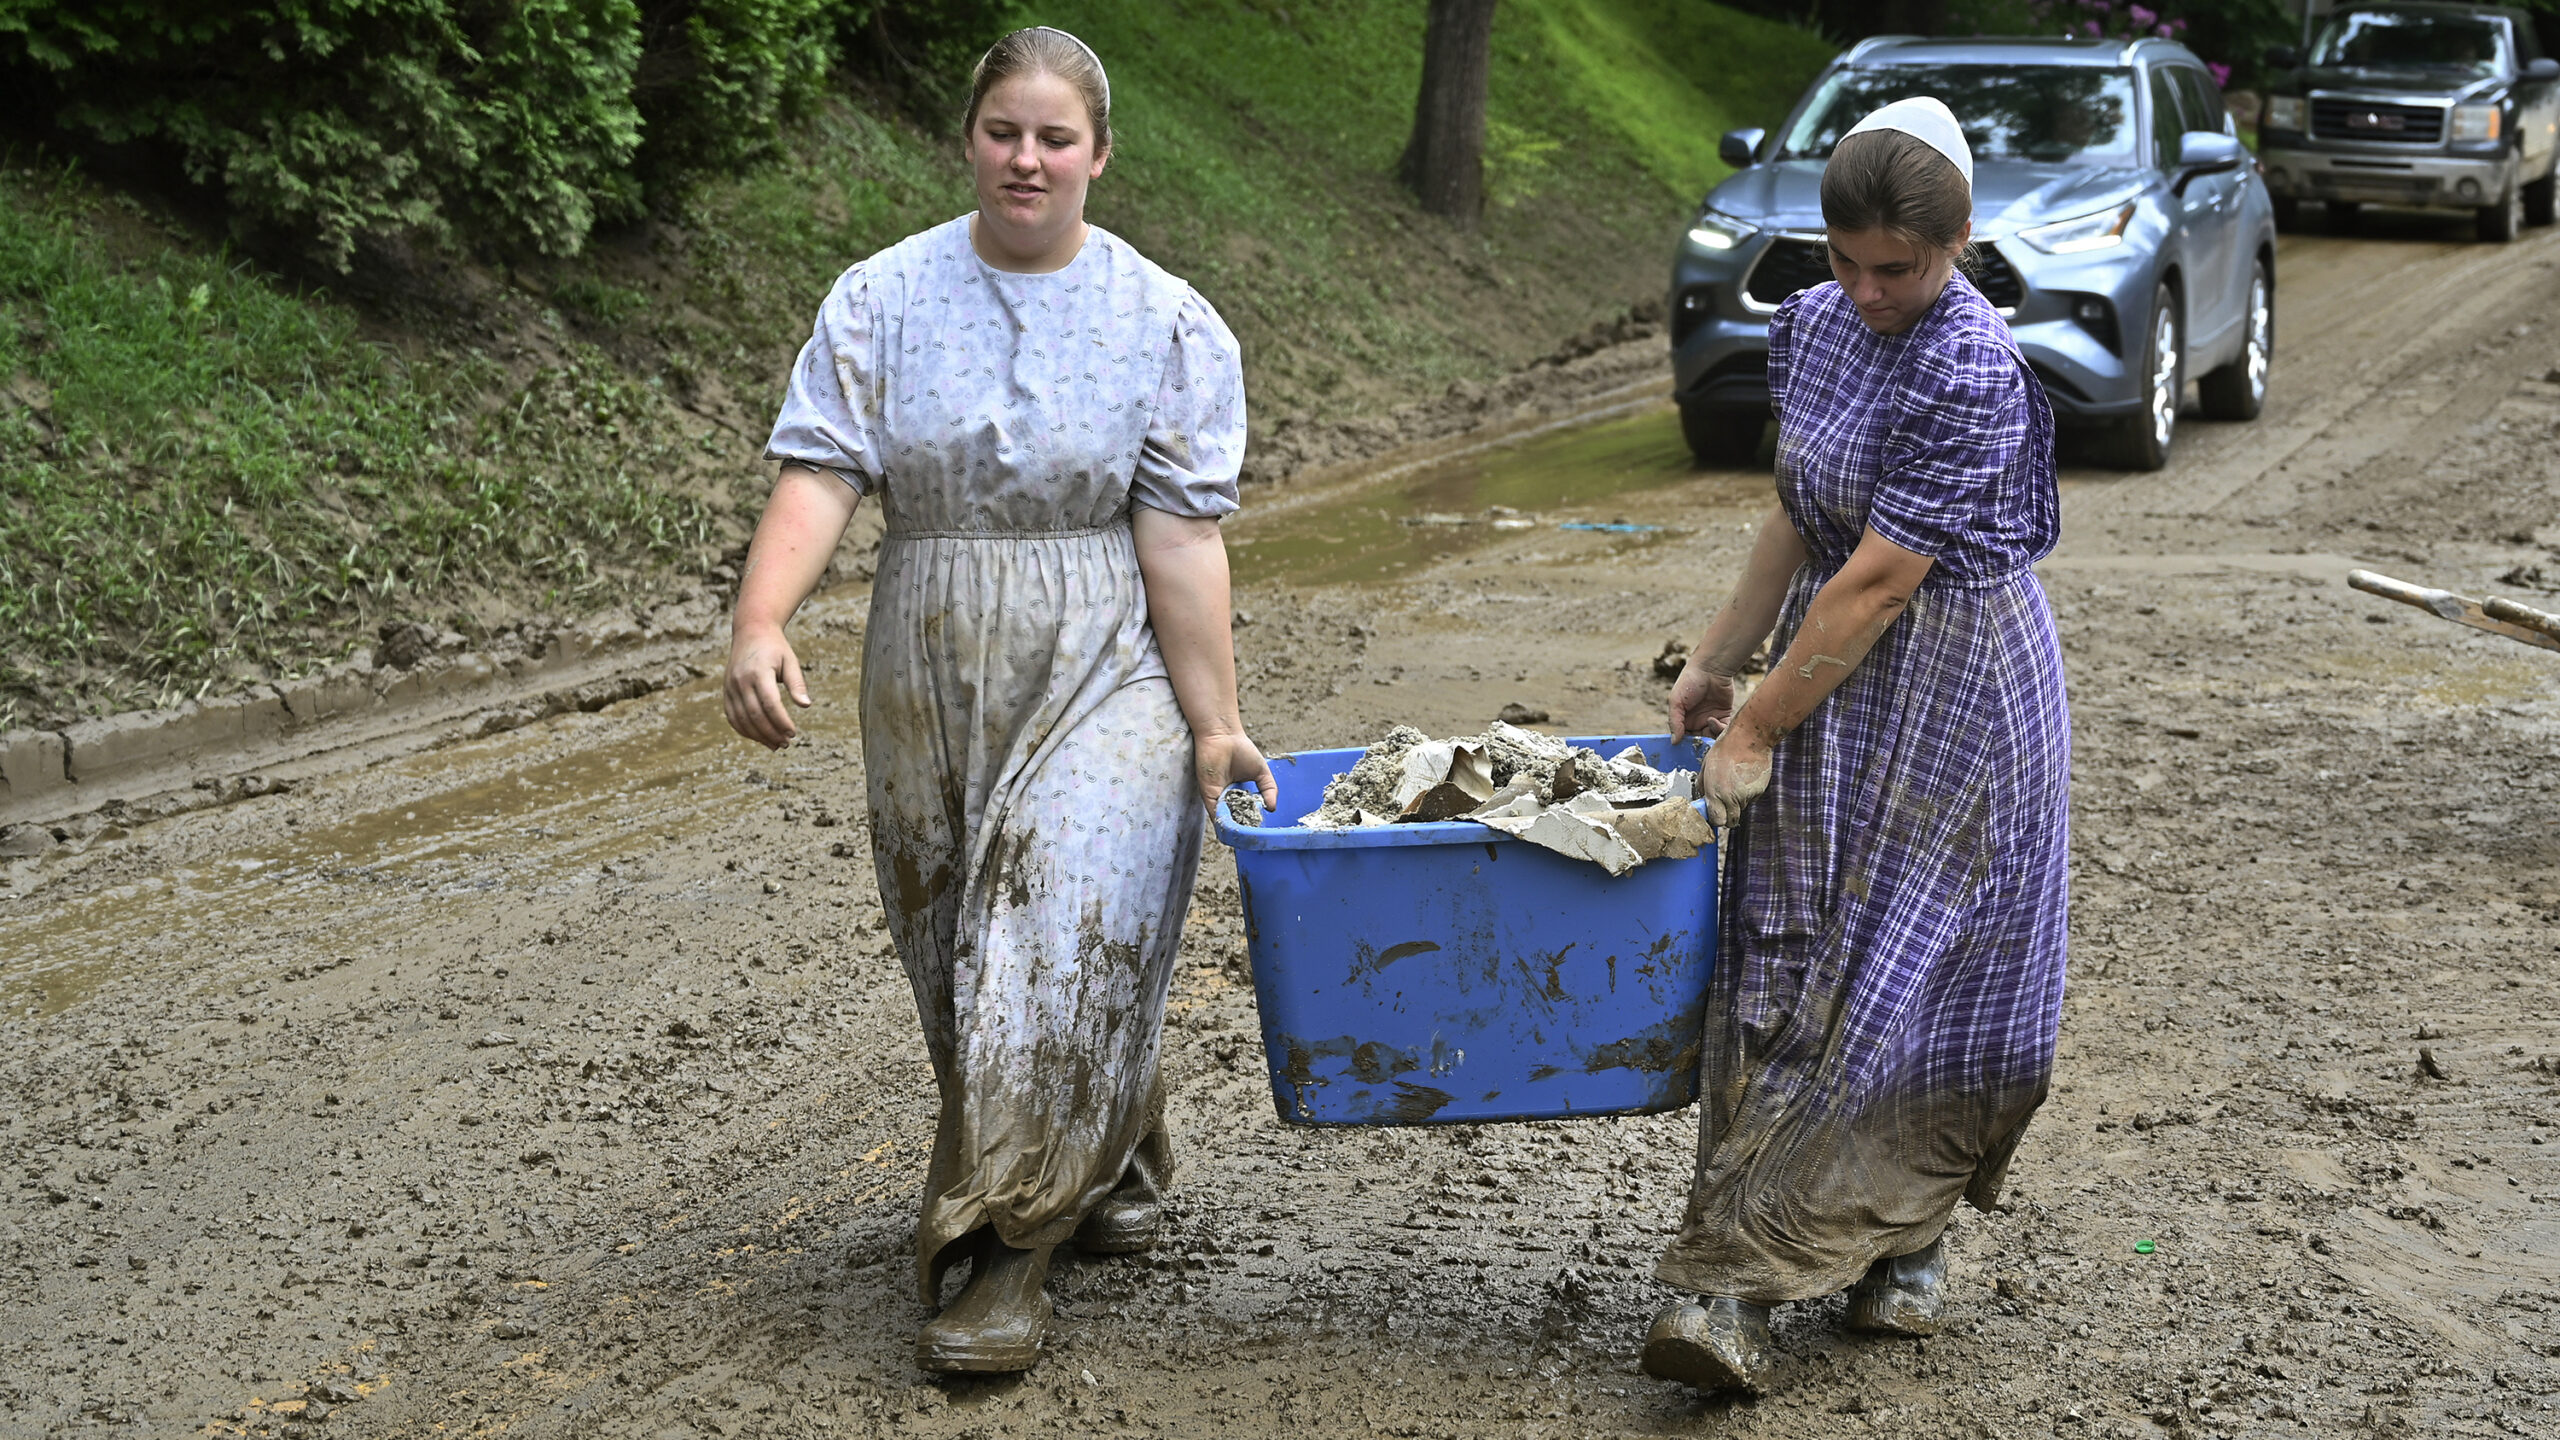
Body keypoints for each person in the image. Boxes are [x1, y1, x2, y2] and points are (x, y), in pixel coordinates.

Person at [721, 25, 1277, 1375]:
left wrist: (1213, 717)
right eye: (1003, 132)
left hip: (1106, 651)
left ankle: (994, 1255)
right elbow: (822, 469)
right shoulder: (883, 298)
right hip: (929, 647)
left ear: (1098, 155)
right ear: (969, 138)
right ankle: (1113, 1121)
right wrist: (760, 616)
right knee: (959, 947)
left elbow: (1184, 541)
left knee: (1048, 918)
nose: (1027, 159)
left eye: (1055, 138)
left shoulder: (1163, 320)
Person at [1643, 97, 2070, 1393]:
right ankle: (1737, 1281)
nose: (1872, 292)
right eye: (1847, 262)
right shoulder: (1816, 327)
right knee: (1784, 959)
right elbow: (1802, 517)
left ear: (1961, 242)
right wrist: (1720, 661)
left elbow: (1885, 577)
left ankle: (1906, 1235)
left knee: (1922, 968)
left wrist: (1764, 720)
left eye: (1903, 268)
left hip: (1960, 689)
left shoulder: (1973, 365)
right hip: (1837, 669)